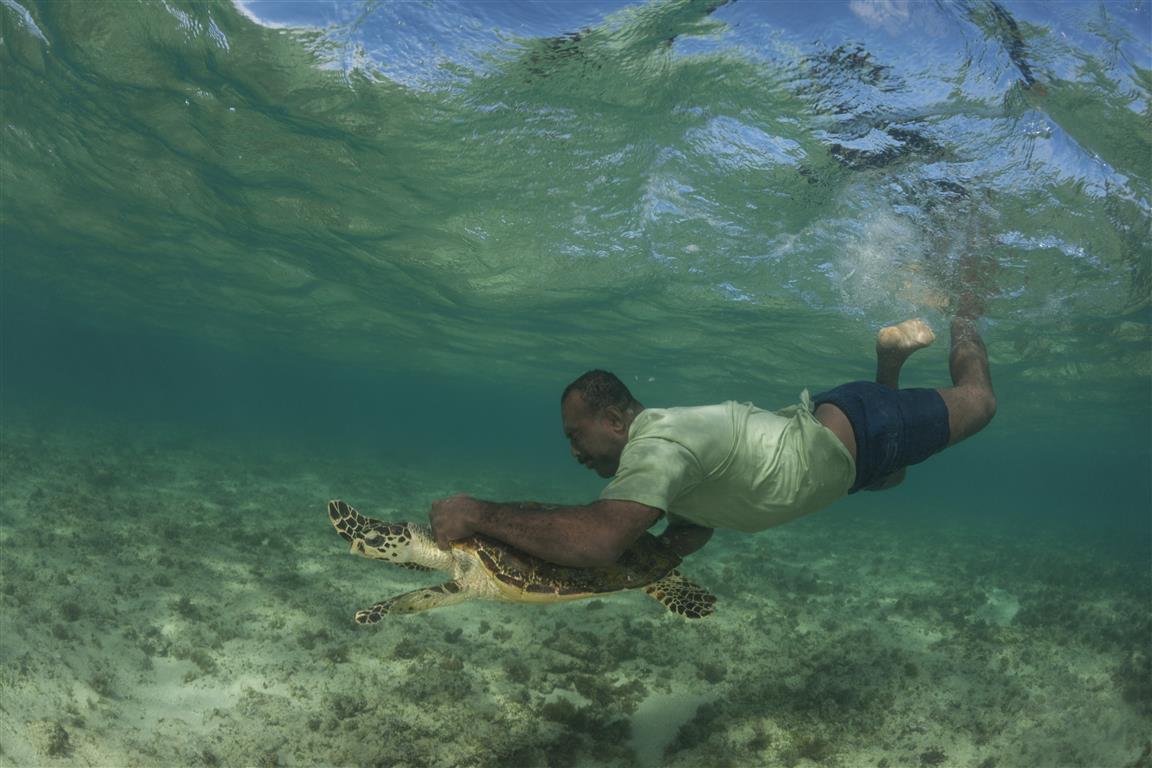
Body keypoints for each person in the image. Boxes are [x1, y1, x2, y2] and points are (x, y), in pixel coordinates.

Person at [429, 313, 996, 568]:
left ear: (615, 421)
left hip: (866, 431)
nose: (574, 452)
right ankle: (888, 363)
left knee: (981, 401)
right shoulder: (657, 455)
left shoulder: (656, 447)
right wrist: (687, 527)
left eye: (577, 436)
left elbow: (598, 541)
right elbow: (699, 507)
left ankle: (967, 310)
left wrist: (477, 513)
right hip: (846, 442)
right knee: (890, 480)